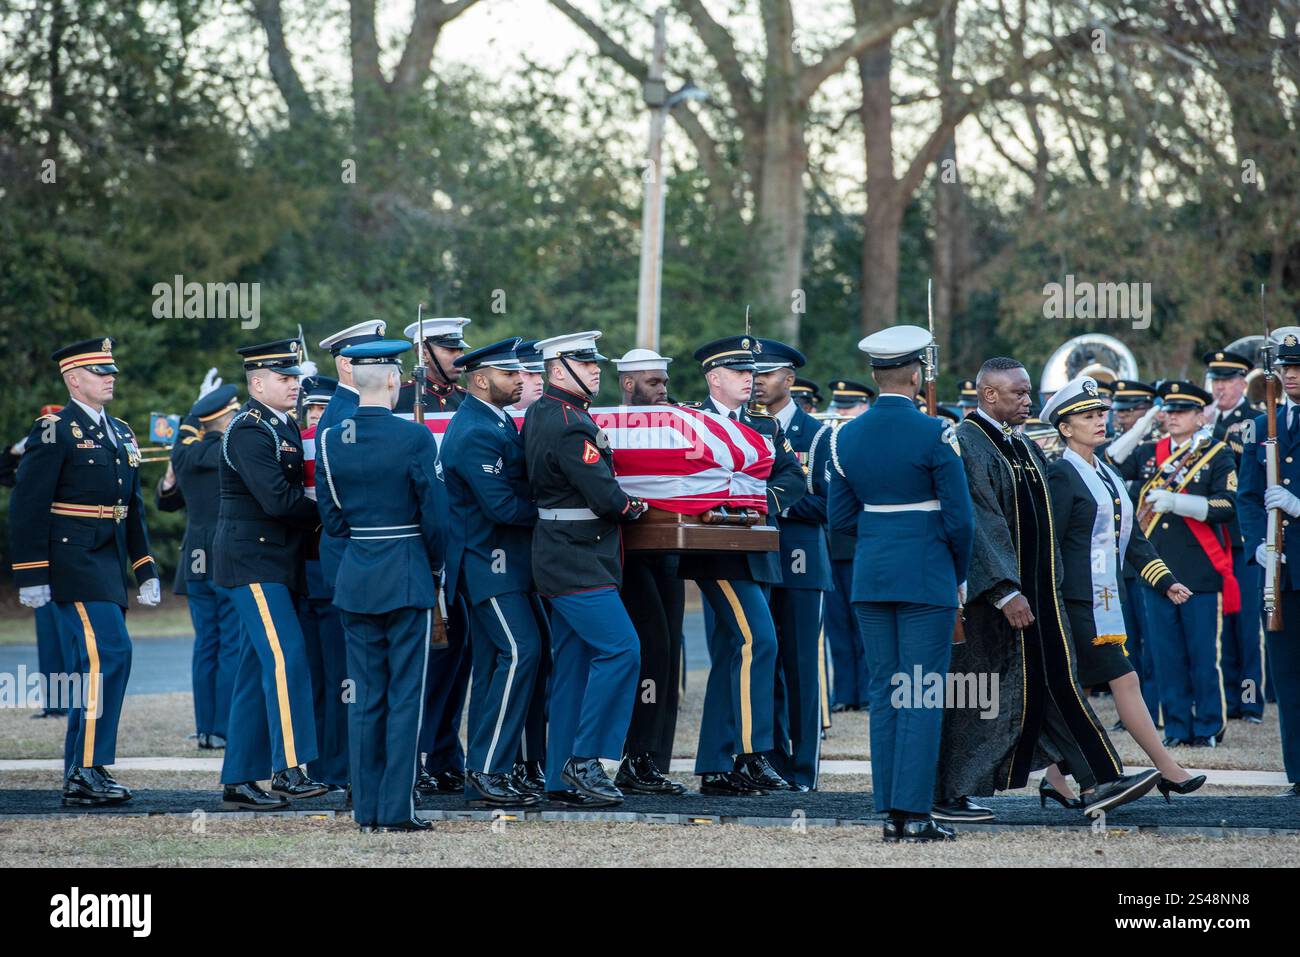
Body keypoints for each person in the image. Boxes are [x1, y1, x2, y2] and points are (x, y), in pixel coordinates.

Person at [935, 357, 1161, 823]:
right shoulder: (970, 445)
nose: (1028, 401)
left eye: (1028, 392)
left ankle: (1097, 778)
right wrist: (1003, 590)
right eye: (1018, 393)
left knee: (1052, 687)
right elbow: (980, 524)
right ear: (989, 395)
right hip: (998, 605)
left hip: (1042, 596)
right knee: (981, 698)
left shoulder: (1022, 447)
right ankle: (947, 792)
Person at [828, 325, 973, 842]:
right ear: (916, 375)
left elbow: (841, 519)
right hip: (926, 575)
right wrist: (957, 575)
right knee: (921, 692)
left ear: (874, 375)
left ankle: (890, 810)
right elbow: (960, 521)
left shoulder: (845, 435)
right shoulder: (937, 433)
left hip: (871, 575)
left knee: (886, 691)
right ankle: (914, 813)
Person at [10, 337, 162, 805]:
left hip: (107, 562)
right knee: (111, 653)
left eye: (111, 370)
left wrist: (146, 567)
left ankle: (81, 770)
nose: (109, 377)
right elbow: (27, 505)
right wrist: (32, 573)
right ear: (74, 379)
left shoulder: (121, 431)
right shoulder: (55, 429)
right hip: (71, 561)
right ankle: (88, 770)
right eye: (99, 372)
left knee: (94, 664)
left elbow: (130, 508)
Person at [1042, 377, 1206, 805]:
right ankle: (1166, 767)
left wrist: (1165, 580)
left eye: (1101, 413)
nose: (1100, 421)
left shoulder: (1107, 474)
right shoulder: (1061, 474)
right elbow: (1050, 543)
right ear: (1064, 427)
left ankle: (1055, 778)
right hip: (1073, 602)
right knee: (1124, 678)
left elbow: (1132, 541)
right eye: (1087, 416)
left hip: (1102, 600)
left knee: (1073, 691)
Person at [314, 339, 446, 832]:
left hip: (356, 576)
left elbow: (332, 518)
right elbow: (435, 518)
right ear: (394, 380)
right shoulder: (413, 437)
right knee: (405, 694)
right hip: (406, 571)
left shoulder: (329, 438)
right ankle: (396, 810)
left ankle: (366, 810)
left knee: (365, 696)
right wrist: (433, 566)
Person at [677, 335, 808, 795]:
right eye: (739, 373)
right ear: (714, 378)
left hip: (755, 546)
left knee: (734, 652)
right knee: (759, 641)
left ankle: (716, 765)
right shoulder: (691, 421)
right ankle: (752, 755)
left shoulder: (764, 424)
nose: (750, 380)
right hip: (716, 550)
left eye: (752, 372)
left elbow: (793, 477)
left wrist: (758, 500)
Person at [524, 331, 647, 805]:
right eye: (584, 363)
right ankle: (588, 759)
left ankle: (560, 775)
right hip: (576, 559)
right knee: (622, 650)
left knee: (576, 663)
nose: (596, 370)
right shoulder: (571, 424)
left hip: (562, 554)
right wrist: (635, 506)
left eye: (596, 363)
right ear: (557, 371)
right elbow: (605, 497)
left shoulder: (542, 413)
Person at [214, 338, 326, 810]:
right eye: (284, 378)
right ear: (257, 383)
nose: (295, 385)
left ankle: (239, 777)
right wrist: (328, 514)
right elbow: (277, 500)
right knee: (287, 658)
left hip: (275, 561)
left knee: (256, 668)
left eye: (296, 377)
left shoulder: (278, 425)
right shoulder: (248, 429)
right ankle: (290, 768)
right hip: (253, 560)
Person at [438, 337, 544, 808]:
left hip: (499, 564)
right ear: (480, 380)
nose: (520, 379)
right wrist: (558, 509)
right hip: (487, 564)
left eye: (520, 373)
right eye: (510, 374)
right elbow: (500, 505)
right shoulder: (475, 430)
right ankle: (488, 770)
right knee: (521, 651)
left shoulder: (495, 421)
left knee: (495, 666)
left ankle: (484, 770)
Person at [1111, 380, 1238, 749]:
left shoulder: (1216, 453)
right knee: (1165, 654)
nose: (1172, 417)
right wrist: (1146, 417)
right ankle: (1177, 726)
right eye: (1168, 411)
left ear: (1201, 416)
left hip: (1198, 568)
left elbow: (1226, 505)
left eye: (1181, 411)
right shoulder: (1151, 451)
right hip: (1156, 570)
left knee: (1201, 655)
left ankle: (1209, 725)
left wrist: (1180, 503)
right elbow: (1113, 459)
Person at [302, 320, 386, 791]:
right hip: (350, 561)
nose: (390, 369)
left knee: (354, 673)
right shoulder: (342, 416)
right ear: (347, 366)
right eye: (378, 360)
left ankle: (349, 768)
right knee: (347, 677)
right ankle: (342, 770)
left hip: (355, 560)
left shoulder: (351, 410)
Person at [754, 338, 833, 791]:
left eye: (767, 373)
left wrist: (770, 503)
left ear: (790, 379)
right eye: (752, 373)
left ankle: (803, 770)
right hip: (756, 557)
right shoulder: (743, 427)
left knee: (802, 669)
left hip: (801, 561)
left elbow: (827, 506)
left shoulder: (818, 434)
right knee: (764, 664)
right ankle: (768, 762)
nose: (758, 381)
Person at [611, 348, 687, 794]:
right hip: (627, 549)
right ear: (627, 383)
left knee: (667, 654)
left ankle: (651, 759)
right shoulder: (608, 425)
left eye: (664, 381)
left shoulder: (677, 422)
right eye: (653, 382)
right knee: (648, 647)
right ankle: (633, 755)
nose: (662, 390)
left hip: (669, 550)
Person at [1238, 330, 1300, 797]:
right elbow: (1246, 497)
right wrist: (1257, 543)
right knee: (1287, 675)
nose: (1293, 376)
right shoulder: (1261, 428)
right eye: (1287, 369)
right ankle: (1297, 774)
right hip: (1279, 570)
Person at [165, 381, 242, 750]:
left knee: (205, 645)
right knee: (229, 643)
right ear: (225, 420)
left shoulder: (182, 453)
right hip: (225, 555)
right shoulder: (230, 452)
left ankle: (205, 728)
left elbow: (183, 434)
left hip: (194, 556)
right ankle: (224, 728)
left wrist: (193, 409)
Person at [1204, 348, 1265, 725]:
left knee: (1246, 625)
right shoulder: (1205, 422)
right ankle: (1228, 697)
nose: (1220, 387)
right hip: (1212, 539)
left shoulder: (1255, 420)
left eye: (1227, 381)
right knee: (1221, 624)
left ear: (1243, 383)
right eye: (1216, 381)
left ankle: (1250, 700)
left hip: (1241, 538)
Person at [3, 403, 69, 720]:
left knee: (68, 633)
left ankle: (74, 702)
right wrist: (16, 450)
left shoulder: (66, 457)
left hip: (66, 550)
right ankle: (56, 704)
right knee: (48, 636)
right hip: (42, 555)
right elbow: (4, 473)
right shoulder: (37, 455)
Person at [1104, 379, 1163, 728]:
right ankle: (1133, 712)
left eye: (1131, 411)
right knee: (1128, 641)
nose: (1122, 418)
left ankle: (1152, 709)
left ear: (1146, 411)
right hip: (1122, 560)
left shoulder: (1159, 447)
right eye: (1120, 411)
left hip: (1149, 556)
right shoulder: (1119, 446)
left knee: (1153, 640)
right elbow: (1112, 465)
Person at [396, 316, 470, 414]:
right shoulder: (398, 398)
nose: (460, 357)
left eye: (461, 350)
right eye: (450, 350)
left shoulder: (467, 400)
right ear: (424, 354)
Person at [508, 338, 546, 411]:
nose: (540, 381)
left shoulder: (550, 415)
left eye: (540, 374)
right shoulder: (493, 415)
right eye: (529, 374)